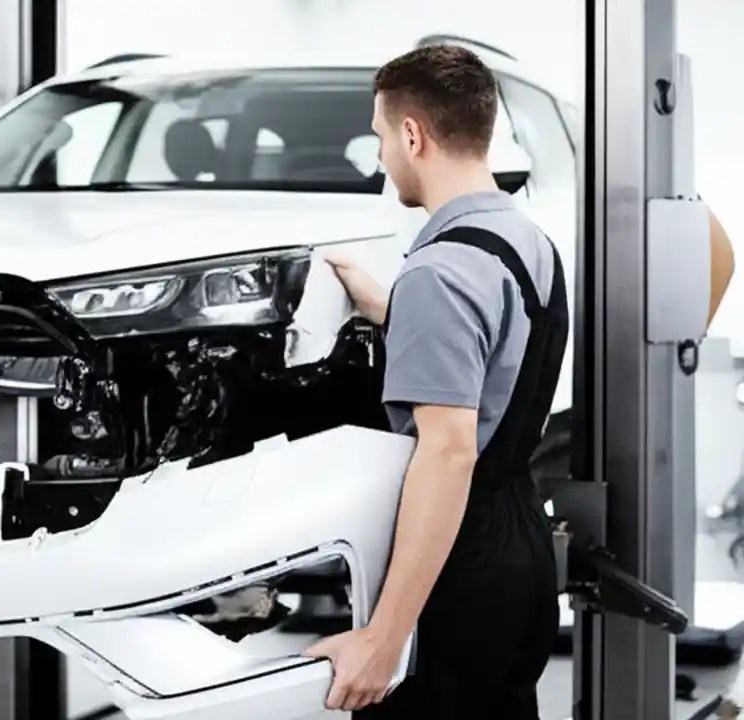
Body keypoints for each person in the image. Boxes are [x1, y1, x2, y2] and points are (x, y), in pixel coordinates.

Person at [301, 45, 567, 718]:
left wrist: (384, 640)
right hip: (520, 541)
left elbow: (447, 454)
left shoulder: (438, 272)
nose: (381, 155)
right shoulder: (523, 239)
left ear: (413, 135)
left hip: (462, 559)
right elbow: (494, 356)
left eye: (381, 136)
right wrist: (390, 309)